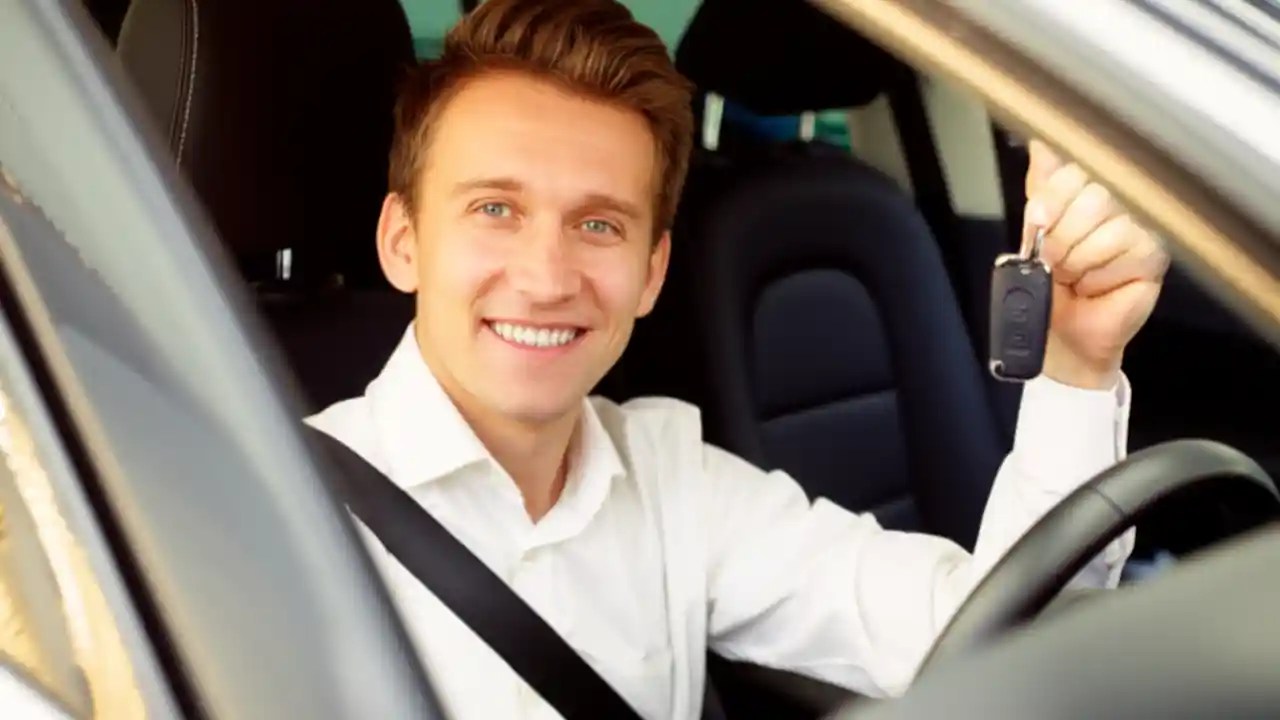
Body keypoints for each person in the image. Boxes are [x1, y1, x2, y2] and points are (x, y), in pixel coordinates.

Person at [306, 0, 1170, 717]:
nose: (544, 277)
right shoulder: (266, 506)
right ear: (403, 242)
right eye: (495, 209)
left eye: (599, 223)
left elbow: (996, 638)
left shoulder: (675, 481)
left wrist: (1076, 363)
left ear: (651, 273)